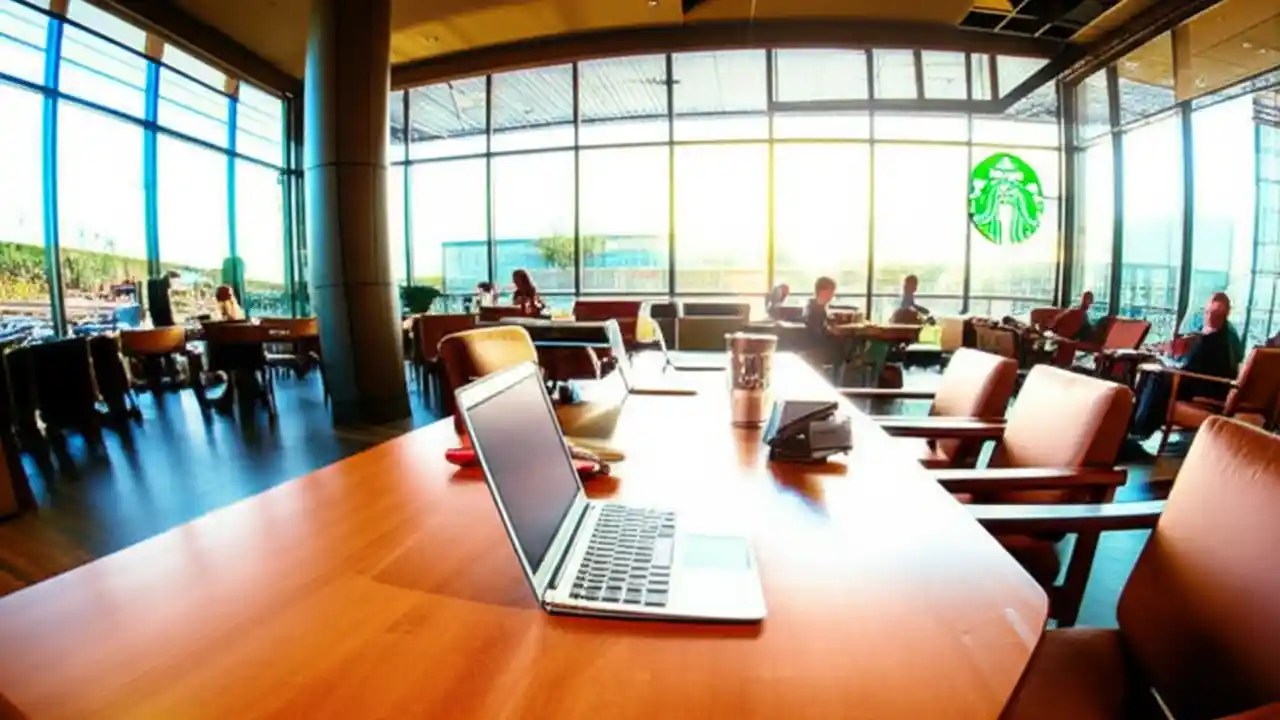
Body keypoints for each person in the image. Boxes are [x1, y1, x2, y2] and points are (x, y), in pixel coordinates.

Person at [1130, 294, 1238, 439]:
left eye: (1214, 313)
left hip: (1206, 388)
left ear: (1225, 314)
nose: (1209, 317)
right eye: (1208, 312)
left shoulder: (1212, 339)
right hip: (1208, 383)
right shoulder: (1229, 336)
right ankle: (1134, 424)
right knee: (1153, 374)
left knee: (1156, 378)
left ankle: (1139, 430)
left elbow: (1191, 370)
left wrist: (1171, 369)